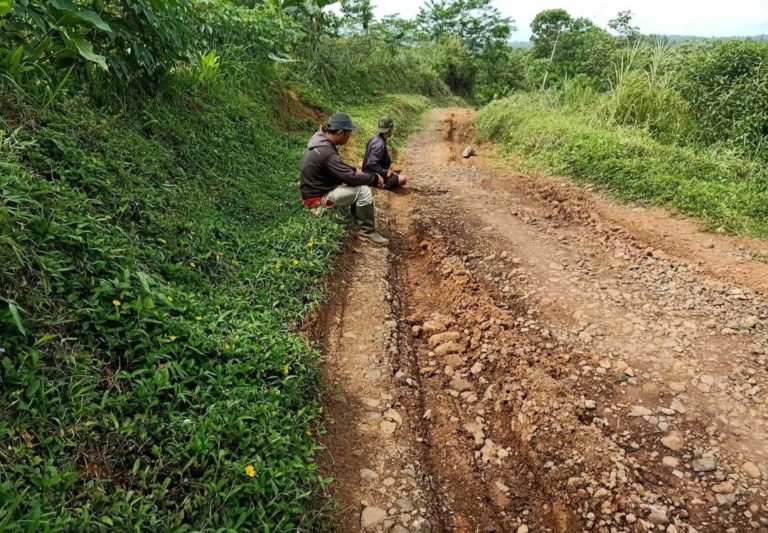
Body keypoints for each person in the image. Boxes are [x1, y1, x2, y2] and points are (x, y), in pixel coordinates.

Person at [299, 112, 390, 246]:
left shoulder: (320, 141)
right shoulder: (326, 152)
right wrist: (375, 178)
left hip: (314, 192)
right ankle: (367, 232)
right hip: (317, 200)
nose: (350, 136)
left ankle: (356, 219)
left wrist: (353, 169)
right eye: (349, 133)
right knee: (363, 190)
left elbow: (338, 168)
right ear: (340, 133)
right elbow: (351, 179)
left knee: (355, 183)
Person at [362, 116, 408, 189]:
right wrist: (385, 172)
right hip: (372, 176)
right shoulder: (379, 144)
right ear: (390, 129)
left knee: (396, 173)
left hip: (370, 172)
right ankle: (382, 185)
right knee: (403, 179)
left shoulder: (376, 138)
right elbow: (371, 164)